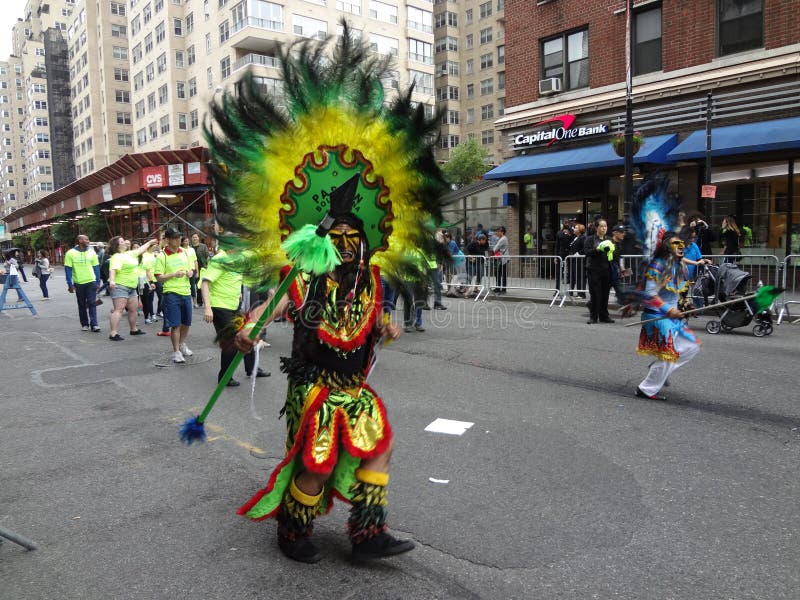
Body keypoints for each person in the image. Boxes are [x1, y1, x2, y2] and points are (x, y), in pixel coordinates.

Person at [234, 218, 412, 563]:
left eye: (353, 237)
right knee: (320, 463)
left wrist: (386, 327)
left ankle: (368, 535)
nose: (346, 244)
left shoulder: (368, 282)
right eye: (337, 237)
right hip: (313, 383)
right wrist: (251, 326)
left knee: (380, 445)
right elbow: (273, 304)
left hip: (351, 385)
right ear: (324, 242)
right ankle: (292, 530)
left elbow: (371, 320)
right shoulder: (301, 277)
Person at [635, 232, 701, 401]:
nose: (680, 246)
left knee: (691, 346)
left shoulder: (679, 266)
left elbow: (676, 295)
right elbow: (650, 293)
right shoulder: (657, 265)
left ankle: (658, 369)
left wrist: (686, 306)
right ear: (666, 246)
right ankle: (646, 388)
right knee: (669, 355)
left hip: (671, 317)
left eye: (681, 243)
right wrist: (668, 309)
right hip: (657, 317)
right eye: (675, 243)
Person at [201, 247, 270, 387]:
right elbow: (205, 283)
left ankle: (252, 369)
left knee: (248, 334)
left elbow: (241, 278)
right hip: (219, 307)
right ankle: (225, 377)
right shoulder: (219, 259)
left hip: (233, 306)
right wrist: (207, 307)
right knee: (231, 342)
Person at [155, 229, 195, 363]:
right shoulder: (162, 256)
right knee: (176, 324)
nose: (178, 241)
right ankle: (176, 351)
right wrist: (173, 274)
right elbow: (159, 277)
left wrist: (190, 272)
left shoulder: (184, 252)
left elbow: (191, 268)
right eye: (175, 238)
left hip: (186, 291)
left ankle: (181, 344)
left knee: (187, 323)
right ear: (167, 240)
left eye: (179, 238)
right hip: (171, 293)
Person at [107, 237, 157, 341]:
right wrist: (112, 281)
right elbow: (113, 270)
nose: (125, 242)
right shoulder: (116, 257)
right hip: (120, 286)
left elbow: (141, 249)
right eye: (121, 241)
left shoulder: (129, 254)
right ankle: (113, 333)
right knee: (118, 310)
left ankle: (133, 329)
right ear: (117, 245)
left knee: (133, 309)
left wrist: (150, 242)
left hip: (132, 287)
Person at [64, 234, 102, 332]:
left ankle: (94, 324)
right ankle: (84, 324)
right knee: (81, 304)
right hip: (78, 283)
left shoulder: (92, 253)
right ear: (80, 241)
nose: (88, 241)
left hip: (91, 282)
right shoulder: (70, 253)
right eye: (86, 239)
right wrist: (70, 284)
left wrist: (98, 281)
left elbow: (96, 268)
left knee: (92, 303)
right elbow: (68, 269)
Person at [584, 219, 615, 324]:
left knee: (605, 294)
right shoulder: (590, 239)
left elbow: (613, 254)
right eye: (602, 226)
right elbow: (587, 252)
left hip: (606, 270)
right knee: (595, 294)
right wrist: (597, 249)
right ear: (596, 228)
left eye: (605, 226)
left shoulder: (609, 239)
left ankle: (604, 316)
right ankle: (593, 316)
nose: (604, 228)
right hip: (594, 270)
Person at [567, 223, 587, 298]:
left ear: (580, 230)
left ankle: (581, 293)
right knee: (574, 276)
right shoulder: (575, 237)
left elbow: (584, 248)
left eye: (576, 228)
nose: (574, 229)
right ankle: (573, 292)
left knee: (580, 277)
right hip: (574, 261)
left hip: (579, 261)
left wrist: (578, 253)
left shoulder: (582, 238)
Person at [555, 221, 575, 294]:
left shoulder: (572, 232)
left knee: (571, 272)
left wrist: (569, 233)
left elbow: (574, 240)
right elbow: (557, 245)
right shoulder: (559, 233)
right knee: (558, 272)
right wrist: (556, 256)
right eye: (565, 223)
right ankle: (557, 290)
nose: (566, 225)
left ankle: (571, 291)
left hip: (569, 254)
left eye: (567, 223)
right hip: (561, 254)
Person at [191, 232, 211, 307]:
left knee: (202, 284)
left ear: (198, 238)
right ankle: (197, 301)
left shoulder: (203, 246)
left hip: (203, 267)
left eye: (196, 237)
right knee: (195, 285)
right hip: (193, 268)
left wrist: (208, 266)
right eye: (193, 237)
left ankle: (203, 301)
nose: (195, 238)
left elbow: (208, 256)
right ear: (191, 239)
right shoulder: (190, 248)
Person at [182, 236, 200, 308]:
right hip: (184, 271)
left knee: (193, 287)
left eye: (188, 240)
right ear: (182, 242)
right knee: (185, 287)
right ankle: (187, 303)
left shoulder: (192, 249)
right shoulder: (180, 250)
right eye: (185, 241)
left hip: (192, 270)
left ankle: (195, 302)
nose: (187, 242)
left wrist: (197, 271)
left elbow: (195, 261)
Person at [492, 225, 509, 294]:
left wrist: (494, 249)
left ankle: (500, 288)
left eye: (498, 231)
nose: (497, 233)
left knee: (499, 273)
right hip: (503, 259)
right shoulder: (503, 238)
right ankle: (500, 288)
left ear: (502, 232)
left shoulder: (503, 239)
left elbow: (495, 249)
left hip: (503, 259)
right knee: (501, 273)